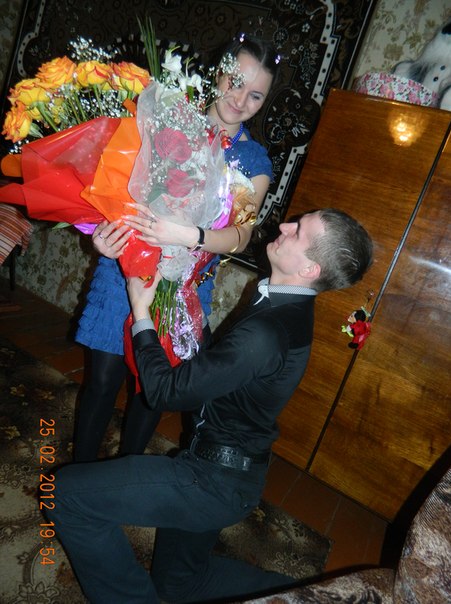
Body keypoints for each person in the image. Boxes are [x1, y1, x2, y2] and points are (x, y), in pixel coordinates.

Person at [47, 208, 373, 603]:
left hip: (211, 481)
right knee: (179, 585)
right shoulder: (286, 307)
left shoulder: (268, 330)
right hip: (233, 473)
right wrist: (187, 309)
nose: (285, 225)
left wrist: (141, 312)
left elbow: (163, 393)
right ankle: (303, 596)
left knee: (64, 495)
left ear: (309, 269)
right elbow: (222, 368)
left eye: (298, 231)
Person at [73, 33, 279, 461]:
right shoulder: (164, 116)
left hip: (186, 287)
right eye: (236, 83)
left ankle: (126, 476)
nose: (240, 100)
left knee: (153, 391)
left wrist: (187, 236)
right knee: (102, 380)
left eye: (256, 96)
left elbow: (241, 235)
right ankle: (78, 477)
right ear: (218, 74)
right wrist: (102, 234)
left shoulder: (252, 161)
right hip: (125, 269)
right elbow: (115, 190)